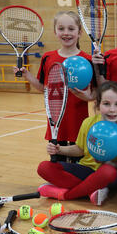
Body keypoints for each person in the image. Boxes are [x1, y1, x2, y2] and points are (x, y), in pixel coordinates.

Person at [15, 11, 95, 162]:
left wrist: (85, 96)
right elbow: (43, 88)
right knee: (57, 165)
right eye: (61, 28)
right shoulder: (48, 58)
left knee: (77, 165)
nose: (66, 33)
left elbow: (93, 94)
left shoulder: (87, 60)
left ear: (80, 32)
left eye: (71, 29)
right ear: (55, 32)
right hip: (56, 123)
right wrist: (27, 75)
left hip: (78, 123)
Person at [37, 81, 117, 205]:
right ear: (97, 104)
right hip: (86, 169)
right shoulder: (88, 123)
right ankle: (93, 190)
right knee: (44, 168)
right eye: (106, 104)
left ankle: (66, 195)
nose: (113, 110)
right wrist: (60, 149)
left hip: (110, 174)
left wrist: (109, 163)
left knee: (108, 172)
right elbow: (80, 149)